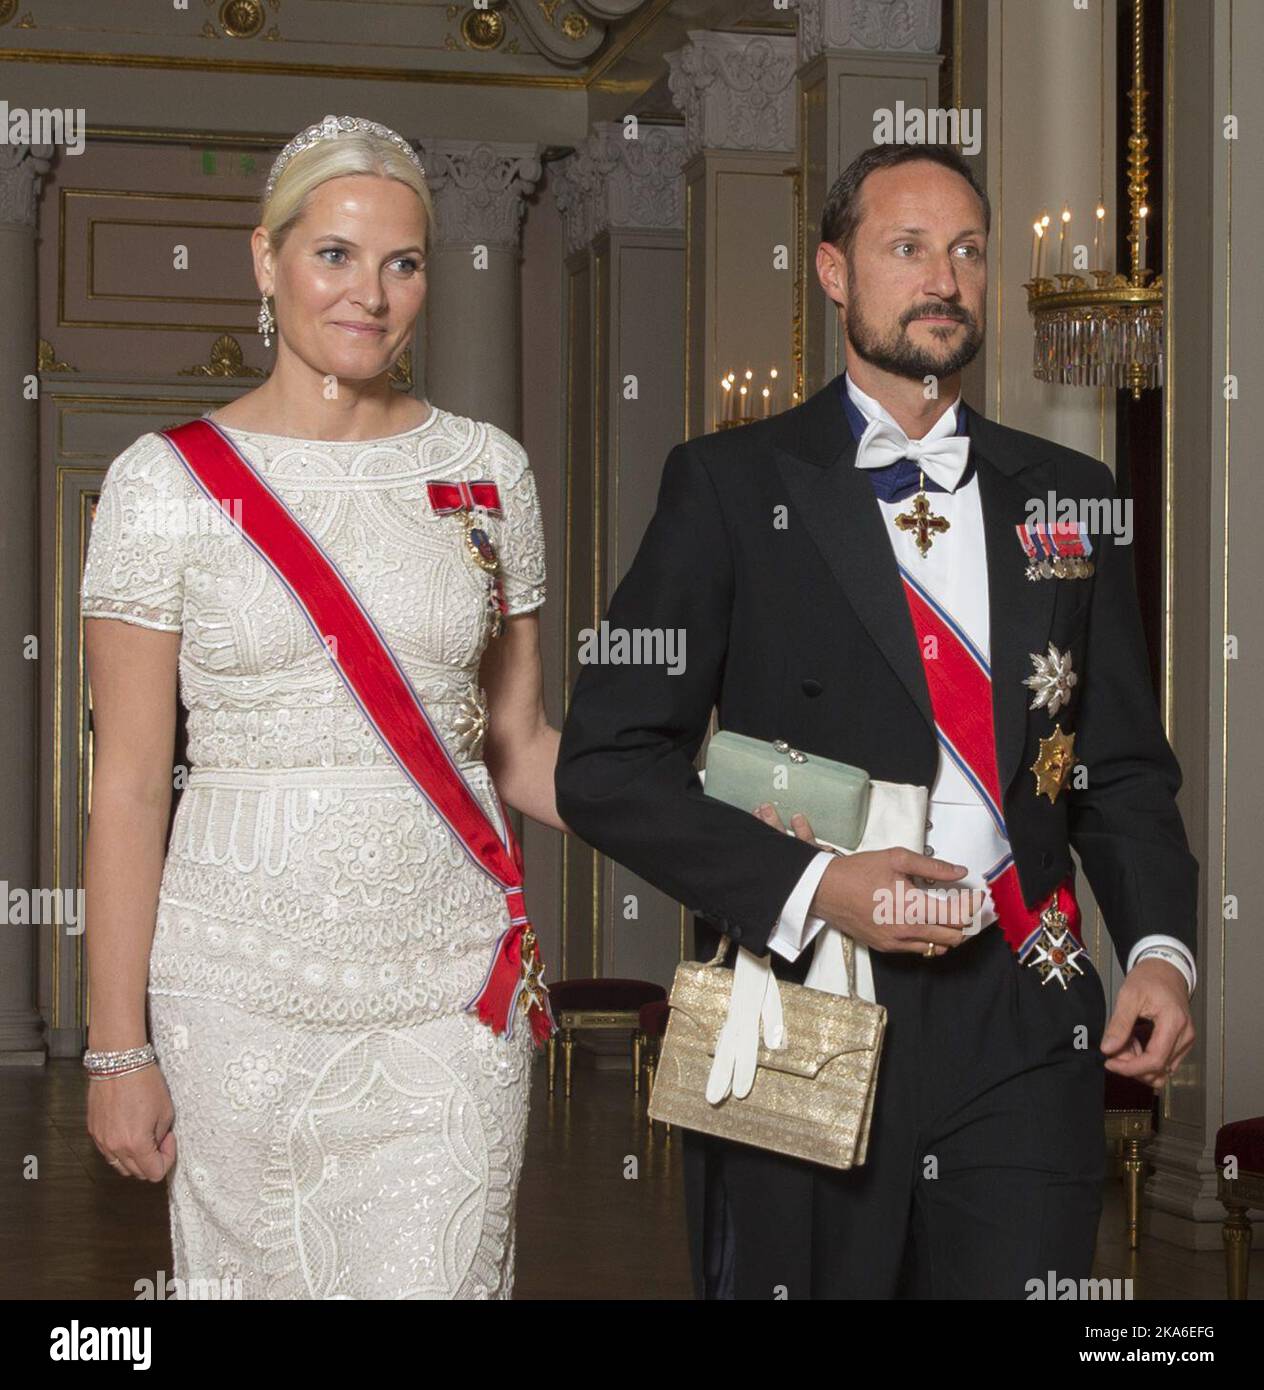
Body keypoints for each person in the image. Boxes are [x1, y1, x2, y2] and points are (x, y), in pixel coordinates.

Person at [554, 143, 1198, 1299]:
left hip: (1022, 995)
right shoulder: (727, 483)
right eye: (907, 248)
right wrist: (816, 891)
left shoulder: (1071, 493)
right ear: (833, 272)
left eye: (966, 251)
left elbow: (1122, 768)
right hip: (801, 993)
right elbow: (605, 762)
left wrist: (1158, 948)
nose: (942, 277)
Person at [80, 114, 565, 1299]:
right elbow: (132, 783)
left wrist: (729, 818)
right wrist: (115, 1045)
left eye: (403, 263)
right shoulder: (163, 485)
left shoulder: (489, 470)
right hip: (237, 998)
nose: (373, 293)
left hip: (451, 994)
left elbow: (522, 744)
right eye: (336, 254)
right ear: (266, 259)